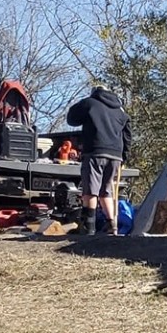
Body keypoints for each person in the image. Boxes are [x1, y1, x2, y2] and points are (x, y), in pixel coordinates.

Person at [65, 86, 131, 235]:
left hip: (95, 151)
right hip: (115, 155)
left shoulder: (90, 103)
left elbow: (72, 119)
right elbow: (127, 136)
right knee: (106, 190)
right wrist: (124, 157)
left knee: (90, 189)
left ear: (95, 92)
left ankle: (88, 227)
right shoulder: (120, 110)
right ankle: (111, 225)